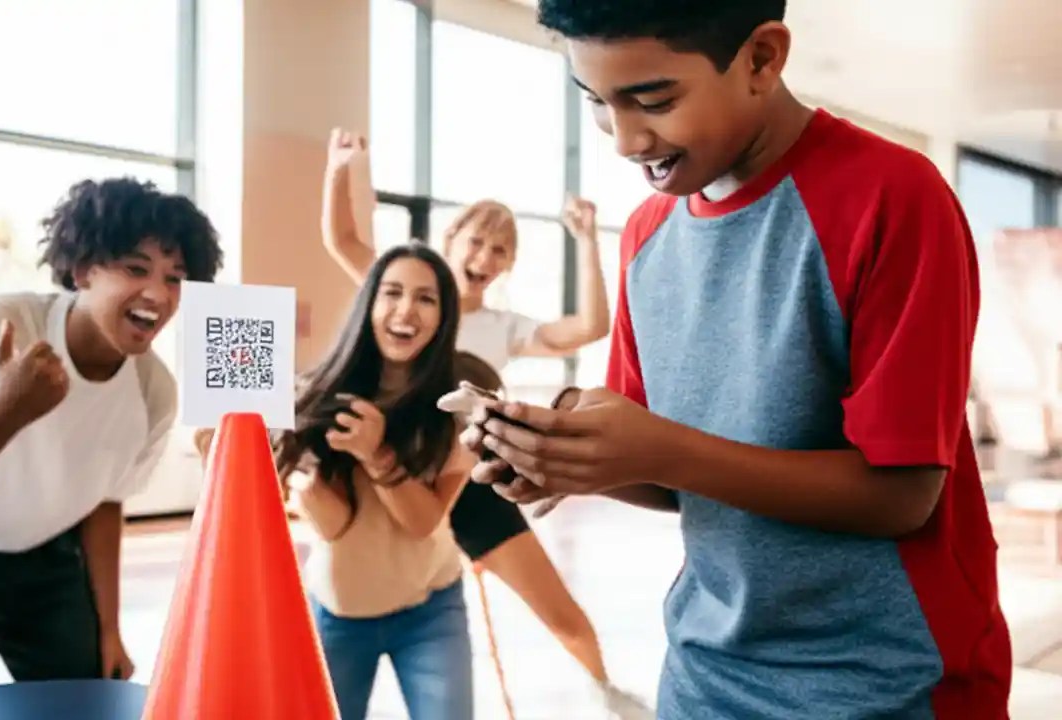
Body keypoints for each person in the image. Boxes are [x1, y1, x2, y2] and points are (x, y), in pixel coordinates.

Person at [461, 1, 1013, 718]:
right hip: (705, 672)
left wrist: (661, 448)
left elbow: (902, 495)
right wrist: (563, 455)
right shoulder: (647, 234)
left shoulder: (893, 199)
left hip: (887, 681)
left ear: (761, 58)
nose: (625, 140)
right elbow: (667, 472)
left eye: (653, 100)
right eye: (596, 101)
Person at [320, 129, 646, 714]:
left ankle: (611, 697)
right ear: (451, 238)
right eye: (478, 241)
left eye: (500, 252)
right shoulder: (403, 291)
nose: (484, 259)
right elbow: (343, 240)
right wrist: (337, 168)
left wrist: (587, 239)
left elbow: (589, 327)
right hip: (393, 476)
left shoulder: (502, 328)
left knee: (562, 614)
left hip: (464, 485)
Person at [0, 177, 223, 685]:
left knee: (82, 697)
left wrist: (109, 631)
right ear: (82, 272)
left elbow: (105, 504)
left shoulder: (154, 390)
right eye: (136, 268)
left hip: (41, 554)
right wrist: (9, 411)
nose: (159, 294)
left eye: (176, 278)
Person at [270, 244, 476, 720]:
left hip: (432, 607)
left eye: (426, 298)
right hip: (339, 612)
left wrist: (375, 455)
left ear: (444, 317)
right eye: (393, 292)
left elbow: (423, 521)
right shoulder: (313, 396)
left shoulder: (455, 411)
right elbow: (336, 525)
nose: (406, 310)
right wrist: (299, 481)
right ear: (370, 304)